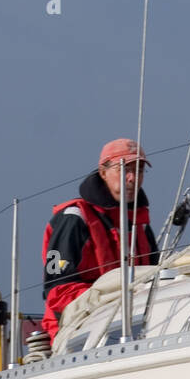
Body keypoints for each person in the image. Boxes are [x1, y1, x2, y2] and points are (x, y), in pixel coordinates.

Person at [40, 138, 159, 341]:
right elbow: (57, 290)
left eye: (139, 171)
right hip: (76, 329)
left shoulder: (140, 224)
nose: (132, 178)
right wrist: (109, 299)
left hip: (133, 322)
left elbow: (156, 275)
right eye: (124, 169)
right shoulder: (74, 219)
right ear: (103, 173)